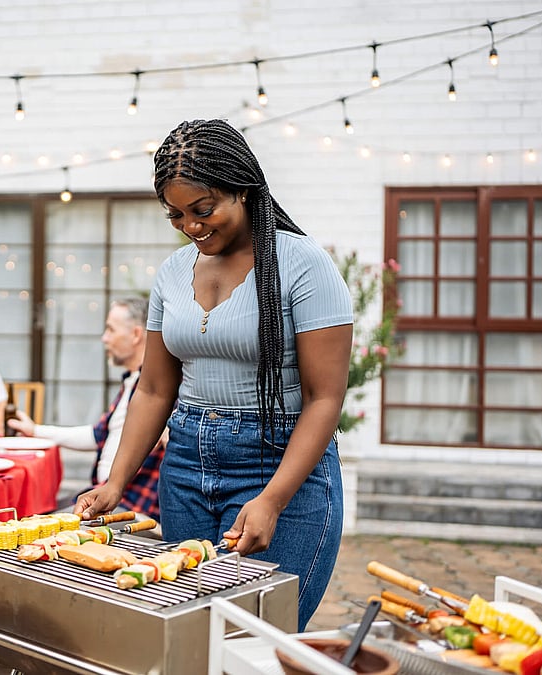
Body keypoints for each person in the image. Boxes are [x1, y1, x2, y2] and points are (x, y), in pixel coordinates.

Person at [75, 119, 353, 631]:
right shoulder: (174, 272)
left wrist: (271, 499)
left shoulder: (304, 265)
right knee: (191, 637)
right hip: (184, 468)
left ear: (243, 190)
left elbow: (324, 399)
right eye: (176, 215)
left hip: (277, 466)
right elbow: (156, 389)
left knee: (254, 639)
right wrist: (117, 480)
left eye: (204, 210)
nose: (191, 226)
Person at [8, 297, 163, 521]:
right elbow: (98, 434)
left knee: (33, 526)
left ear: (137, 335)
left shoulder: (155, 391)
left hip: (127, 505)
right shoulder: (133, 381)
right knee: (33, 511)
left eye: (111, 330)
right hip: (102, 492)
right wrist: (35, 430)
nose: (104, 338)